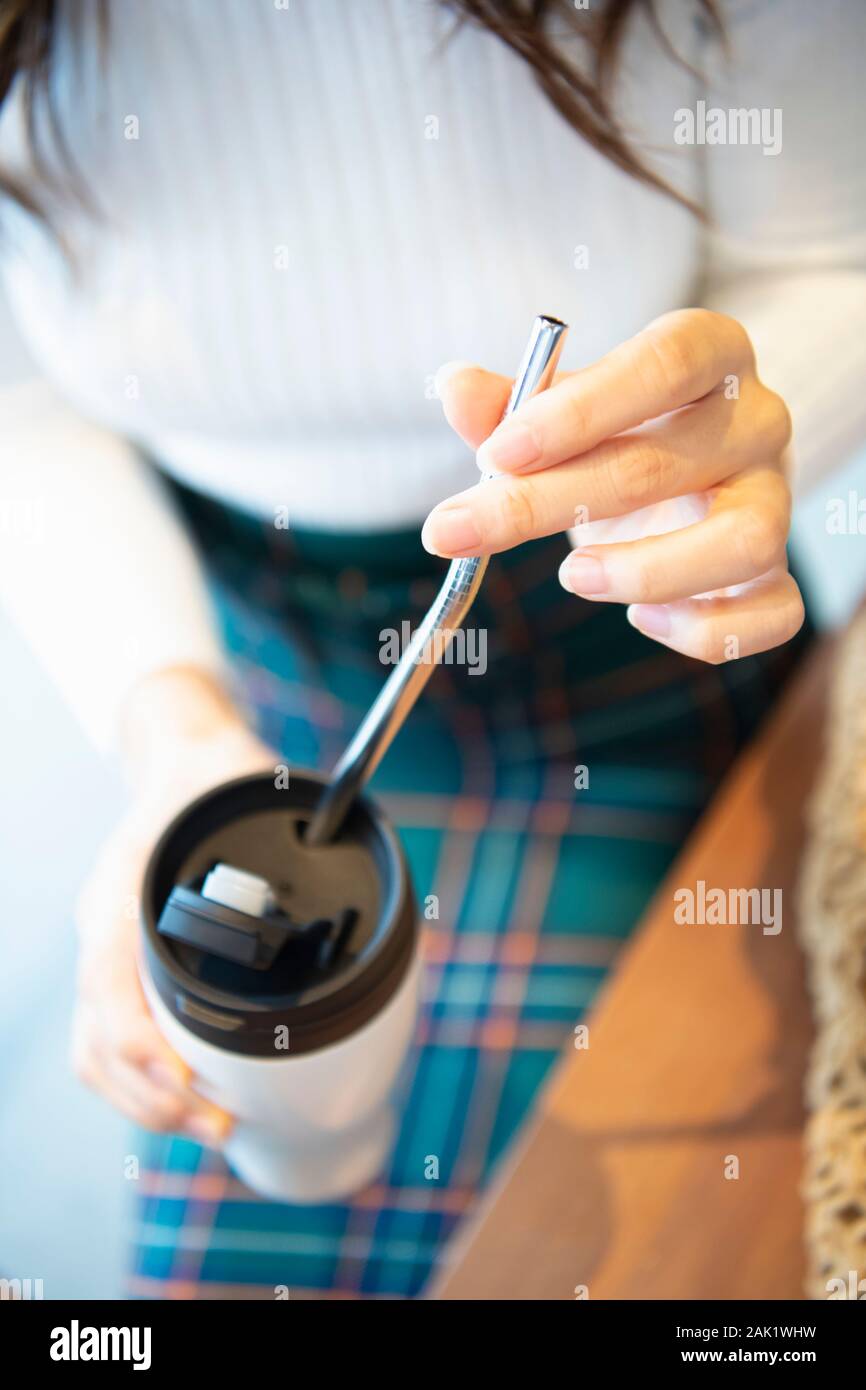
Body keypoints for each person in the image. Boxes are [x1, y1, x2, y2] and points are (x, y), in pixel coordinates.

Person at [0, 0, 862, 1299]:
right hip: (252, 667)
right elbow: (24, 400)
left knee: (650, 1240)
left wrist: (739, 433)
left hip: (626, 622)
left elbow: (833, 249)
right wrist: (171, 728)